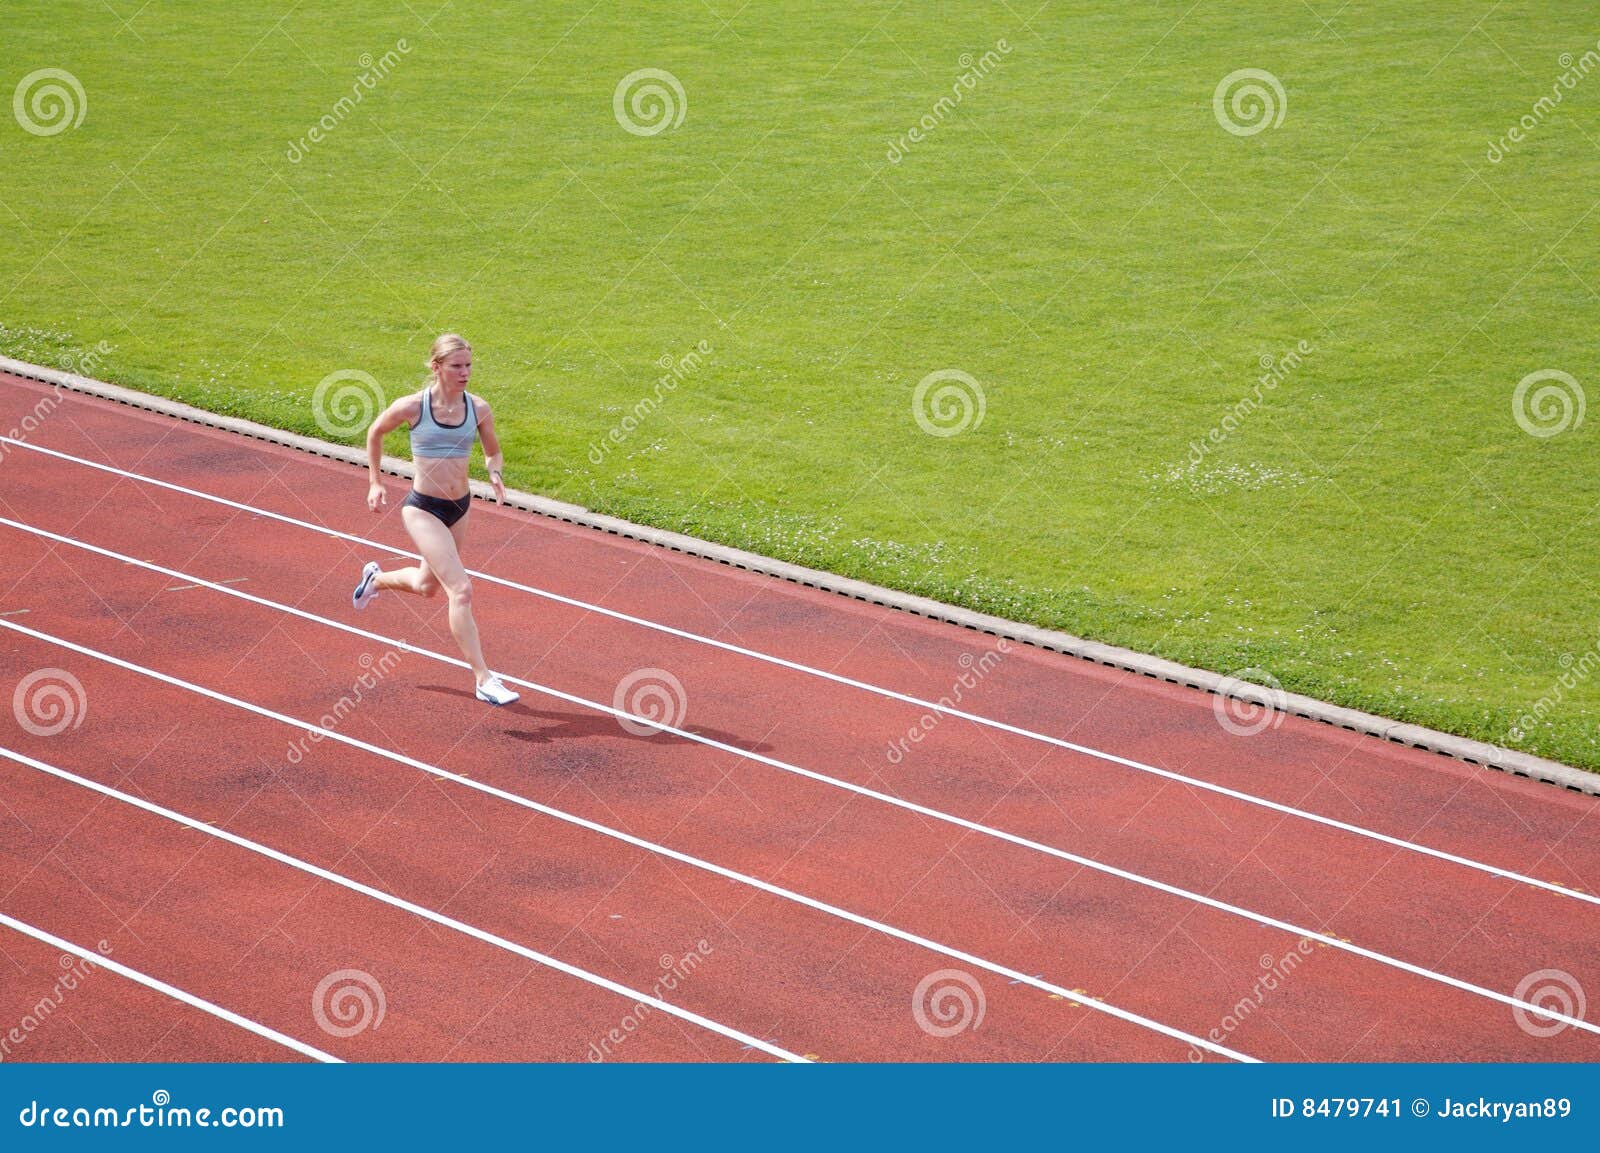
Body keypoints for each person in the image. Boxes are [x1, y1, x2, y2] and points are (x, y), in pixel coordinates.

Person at [350, 334, 519, 705]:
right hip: (423, 508)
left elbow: (493, 452)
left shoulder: (478, 409)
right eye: (457, 366)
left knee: (428, 587)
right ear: (436, 367)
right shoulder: (412, 407)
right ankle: (484, 679)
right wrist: (375, 482)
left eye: (469, 365)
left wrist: (495, 472)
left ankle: (375, 580)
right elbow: (375, 432)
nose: (465, 373)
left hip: (459, 507)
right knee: (461, 589)